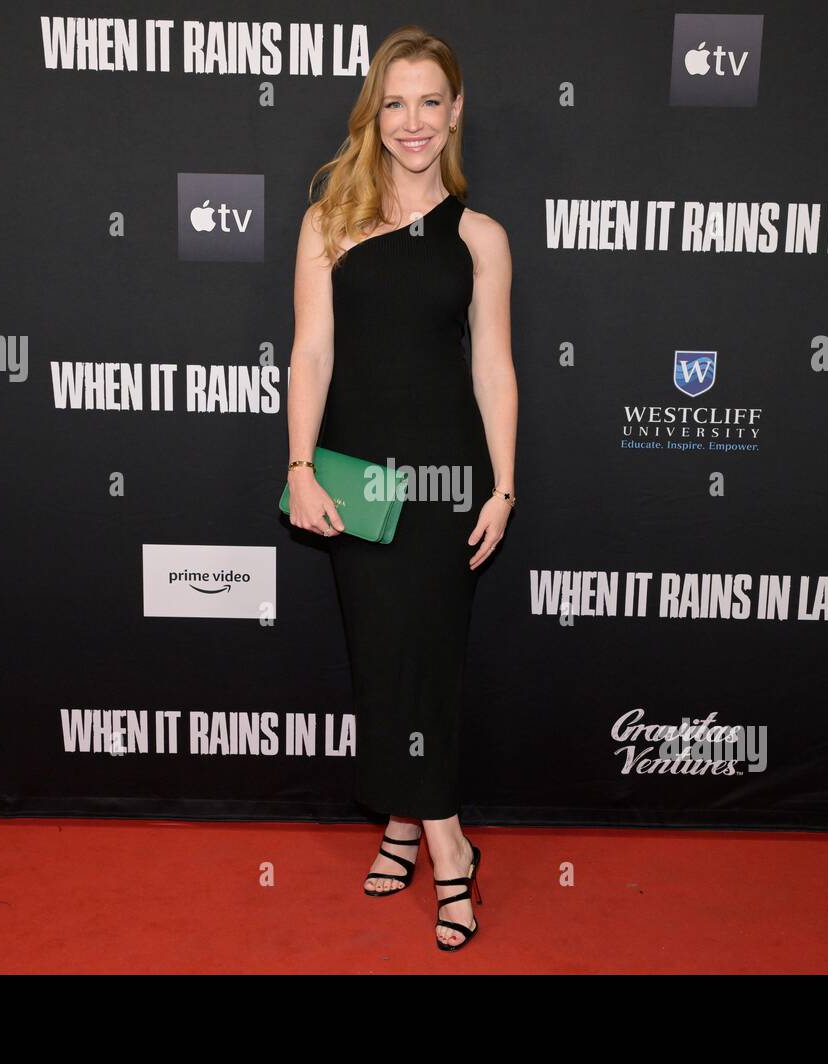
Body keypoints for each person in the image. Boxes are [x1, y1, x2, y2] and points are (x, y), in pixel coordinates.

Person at [283, 25, 518, 951]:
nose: (413, 121)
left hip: (447, 482)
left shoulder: (481, 237)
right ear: (372, 114)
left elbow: (493, 364)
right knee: (379, 658)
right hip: (355, 481)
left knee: (426, 662)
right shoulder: (329, 221)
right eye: (395, 103)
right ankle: (403, 821)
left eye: (431, 102)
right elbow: (310, 352)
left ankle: (447, 850)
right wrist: (299, 467)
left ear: (455, 111)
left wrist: (504, 486)